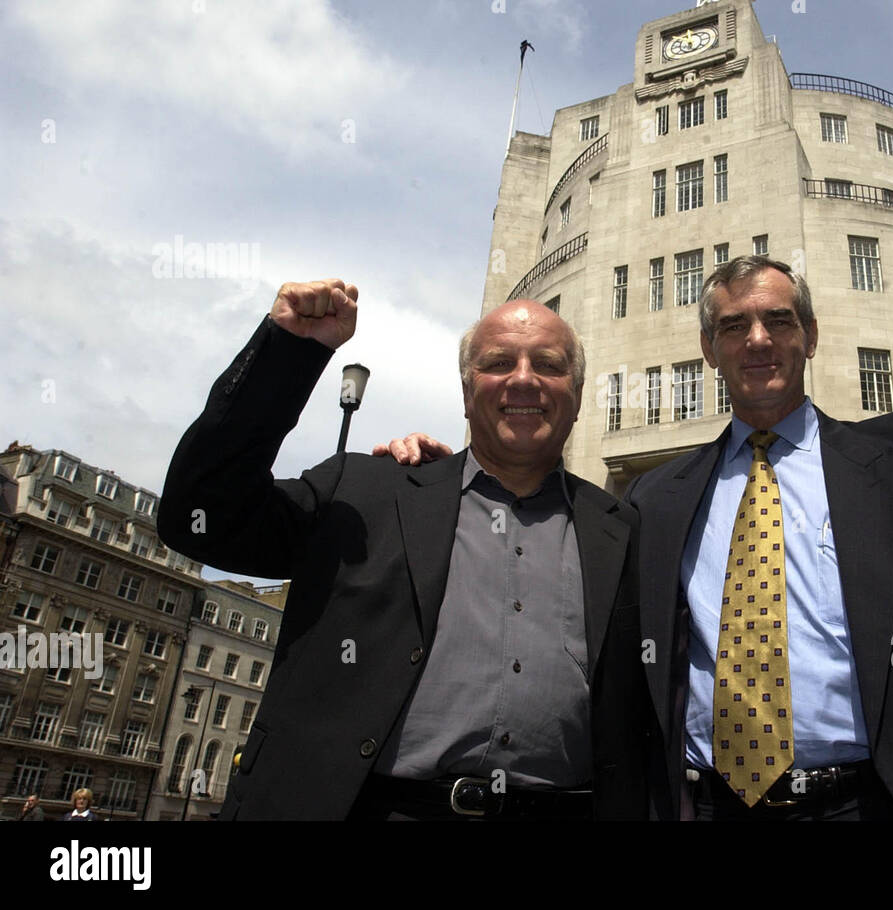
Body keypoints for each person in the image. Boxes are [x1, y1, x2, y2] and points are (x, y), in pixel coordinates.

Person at [378, 158, 893, 821]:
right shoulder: (656, 500)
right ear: (710, 349)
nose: (757, 340)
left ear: (810, 337)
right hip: (708, 804)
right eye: (734, 327)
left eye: (777, 320)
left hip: (872, 802)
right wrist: (446, 479)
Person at [158, 284, 653, 820]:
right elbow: (200, 519)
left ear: (577, 396)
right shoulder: (366, 492)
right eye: (499, 362)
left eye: (550, 365)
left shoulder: (622, 531)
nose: (524, 378)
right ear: (467, 393)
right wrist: (289, 352)